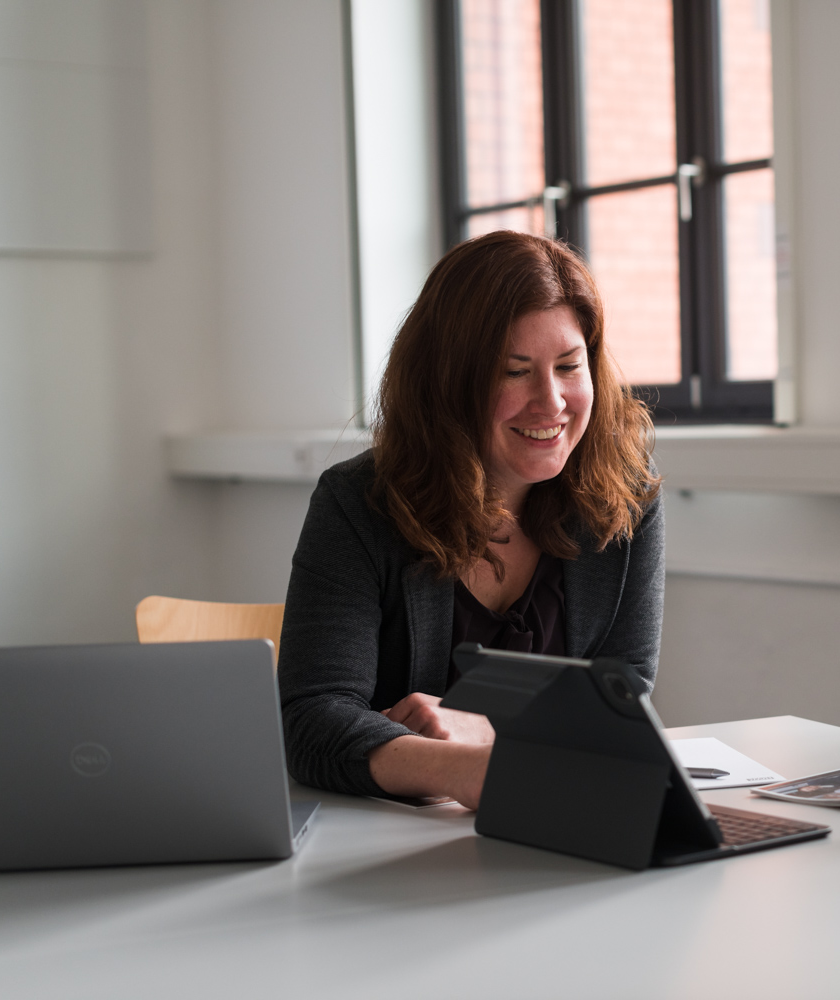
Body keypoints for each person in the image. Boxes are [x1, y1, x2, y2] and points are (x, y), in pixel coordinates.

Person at [277, 231, 663, 810]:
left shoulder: (625, 497)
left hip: (554, 829)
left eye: (568, 366)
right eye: (514, 371)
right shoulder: (357, 503)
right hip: (381, 847)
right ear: (448, 382)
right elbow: (311, 718)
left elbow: (622, 698)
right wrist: (467, 771)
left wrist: (488, 735)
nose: (551, 401)